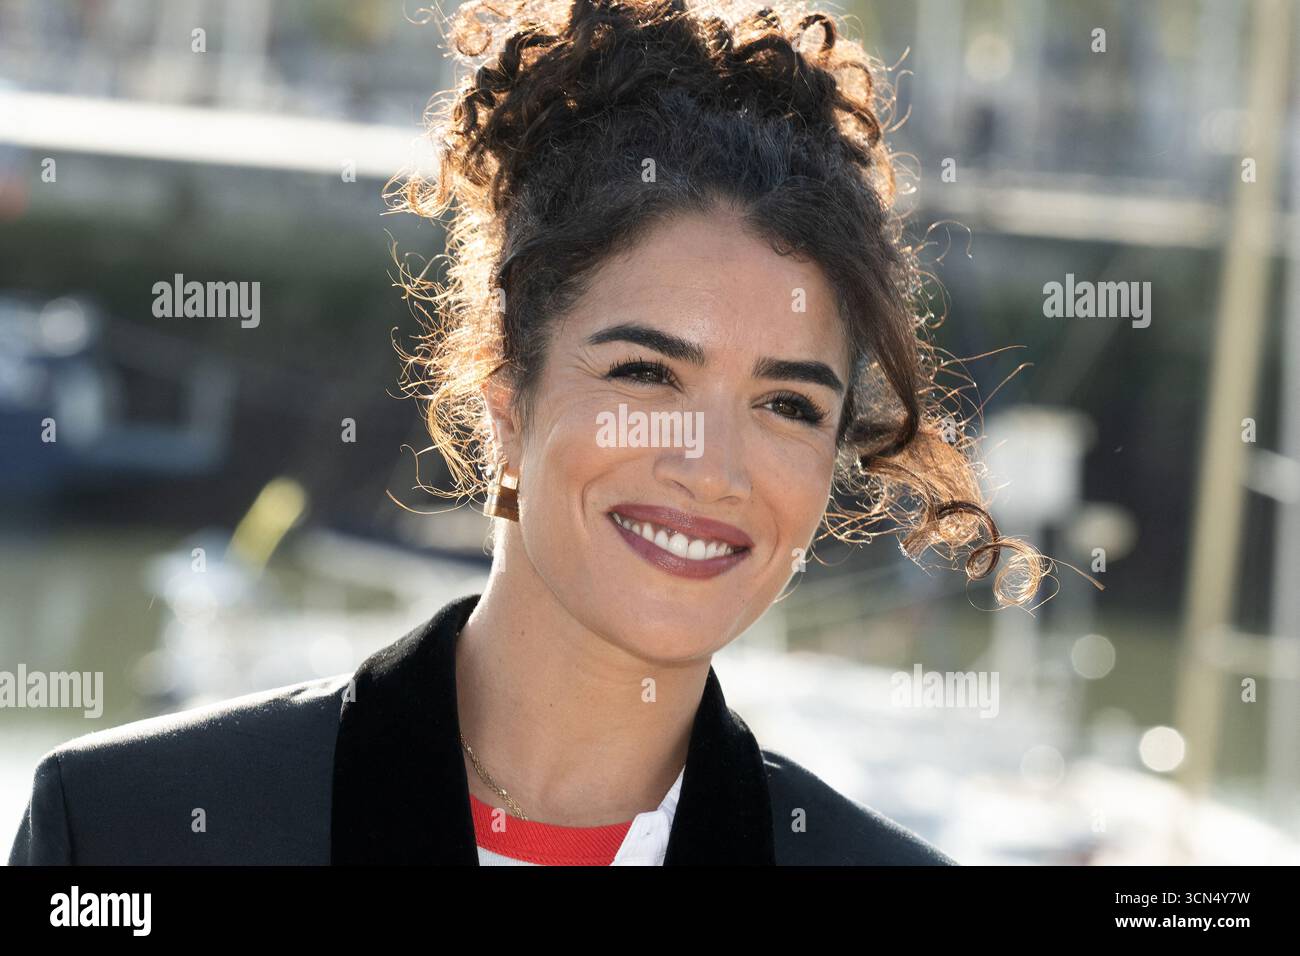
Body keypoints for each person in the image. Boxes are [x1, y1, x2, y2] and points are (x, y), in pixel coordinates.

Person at [8, 0, 1044, 866]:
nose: (713, 467)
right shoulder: (128, 832)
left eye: (788, 405)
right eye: (646, 371)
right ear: (506, 395)